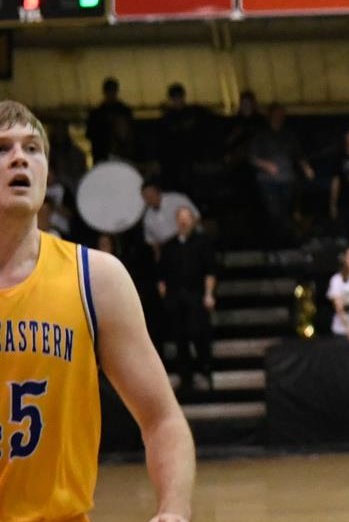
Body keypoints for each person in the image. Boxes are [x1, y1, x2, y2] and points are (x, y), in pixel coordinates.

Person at [0, 99, 196, 522]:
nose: (19, 157)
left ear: (47, 174)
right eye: (3, 148)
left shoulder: (96, 279)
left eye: (32, 149)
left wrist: (173, 512)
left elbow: (163, 419)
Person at [157, 205, 217, 396]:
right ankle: (186, 378)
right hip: (176, 298)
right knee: (180, 338)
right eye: (180, 218)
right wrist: (165, 295)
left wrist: (209, 294)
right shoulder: (169, 246)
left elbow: (210, 271)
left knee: (198, 333)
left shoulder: (203, 242)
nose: (183, 221)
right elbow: (161, 275)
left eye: (187, 218)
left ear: (193, 220)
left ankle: (204, 368)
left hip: (196, 295)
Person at [247, 103, 301, 240]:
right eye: (277, 114)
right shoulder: (261, 135)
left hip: (287, 178)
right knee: (274, 212)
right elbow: (251, 157)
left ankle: (287, 239)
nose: (279, 117)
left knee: (286, 211)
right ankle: (276, 240)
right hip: (268, 181)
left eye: (281, 114)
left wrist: (306, 167)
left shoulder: (289, 135)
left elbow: (298, 154)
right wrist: (265, 165)